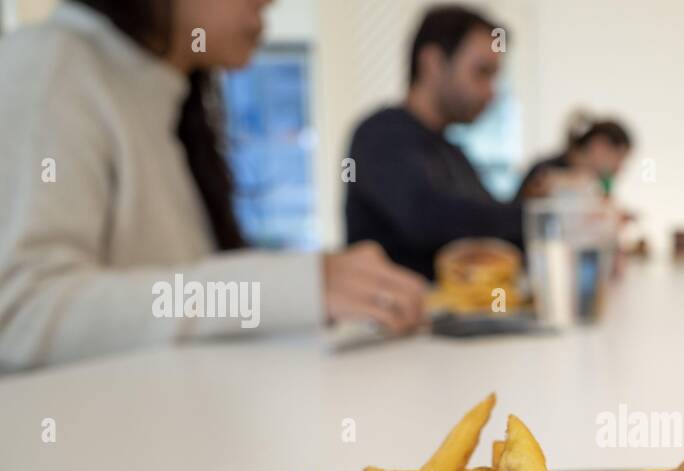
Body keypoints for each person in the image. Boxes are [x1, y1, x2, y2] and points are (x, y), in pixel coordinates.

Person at [0, 0, 426, 374]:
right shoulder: (48, 64)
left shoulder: (165, 102)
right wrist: (286, 289)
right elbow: (21, 314)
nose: (271, 2)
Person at [345, 5, 525, 280]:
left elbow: (494, 225)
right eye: (482, 72)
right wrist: (539, 216)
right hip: (397, 317)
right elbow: (429, 221)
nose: (491, 93)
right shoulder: (380, 135)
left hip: (459, 317)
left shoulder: (451, 151)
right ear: (433, 62)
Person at [515, 114, 634, 201]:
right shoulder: (545, 171)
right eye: (618, 159)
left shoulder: (597, 183)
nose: (619, 168)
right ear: (599, 146)